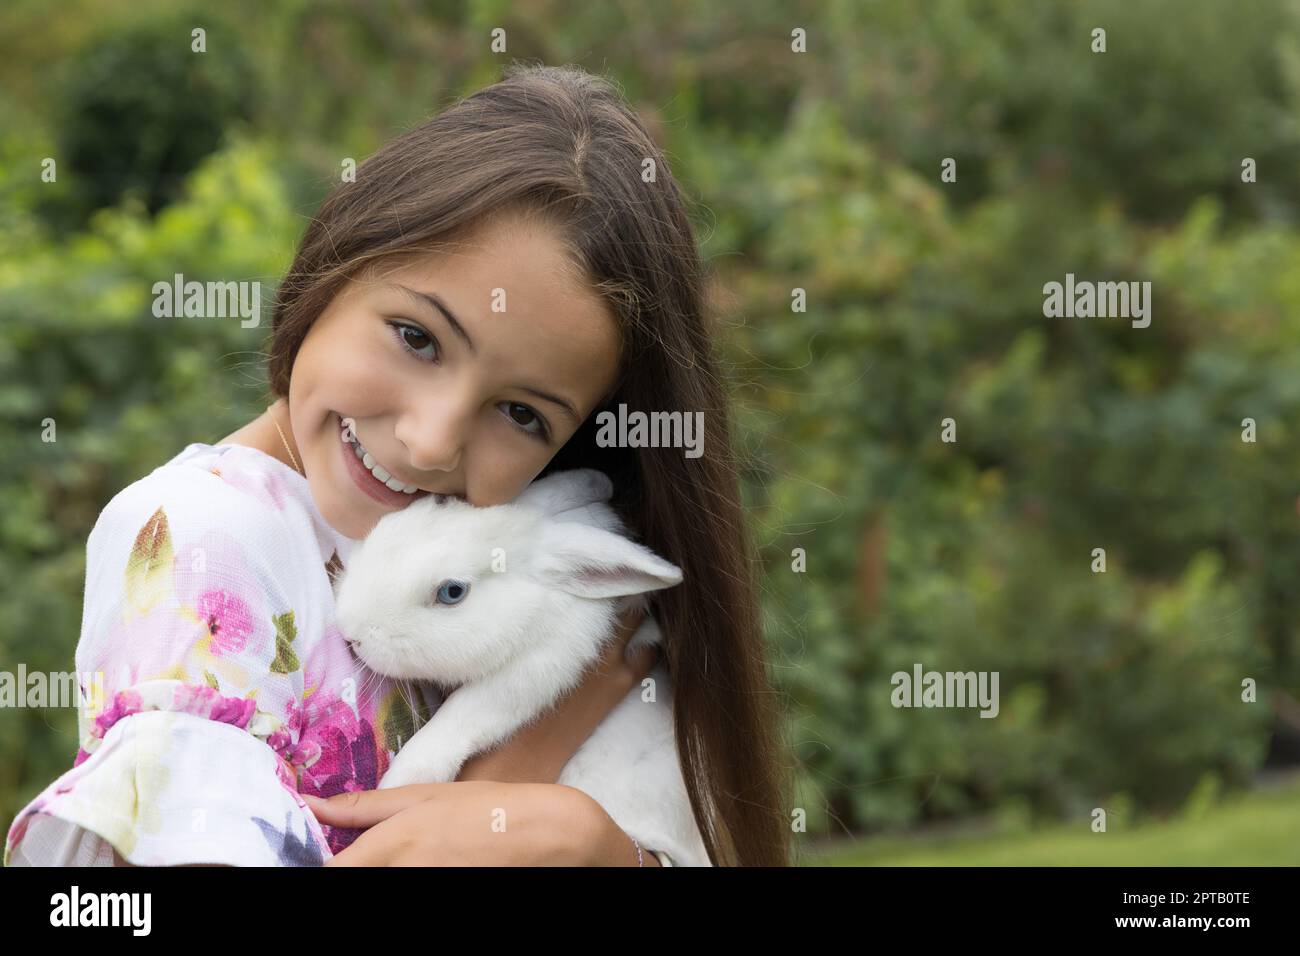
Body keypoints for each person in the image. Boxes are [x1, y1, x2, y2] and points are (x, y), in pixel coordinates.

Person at [5, 62, 790, 867]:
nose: (431, 440)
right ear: (340, 255)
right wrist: (529, 794)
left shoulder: (526, 559)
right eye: (418, 337)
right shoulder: (205, 540)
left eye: (522, 414)